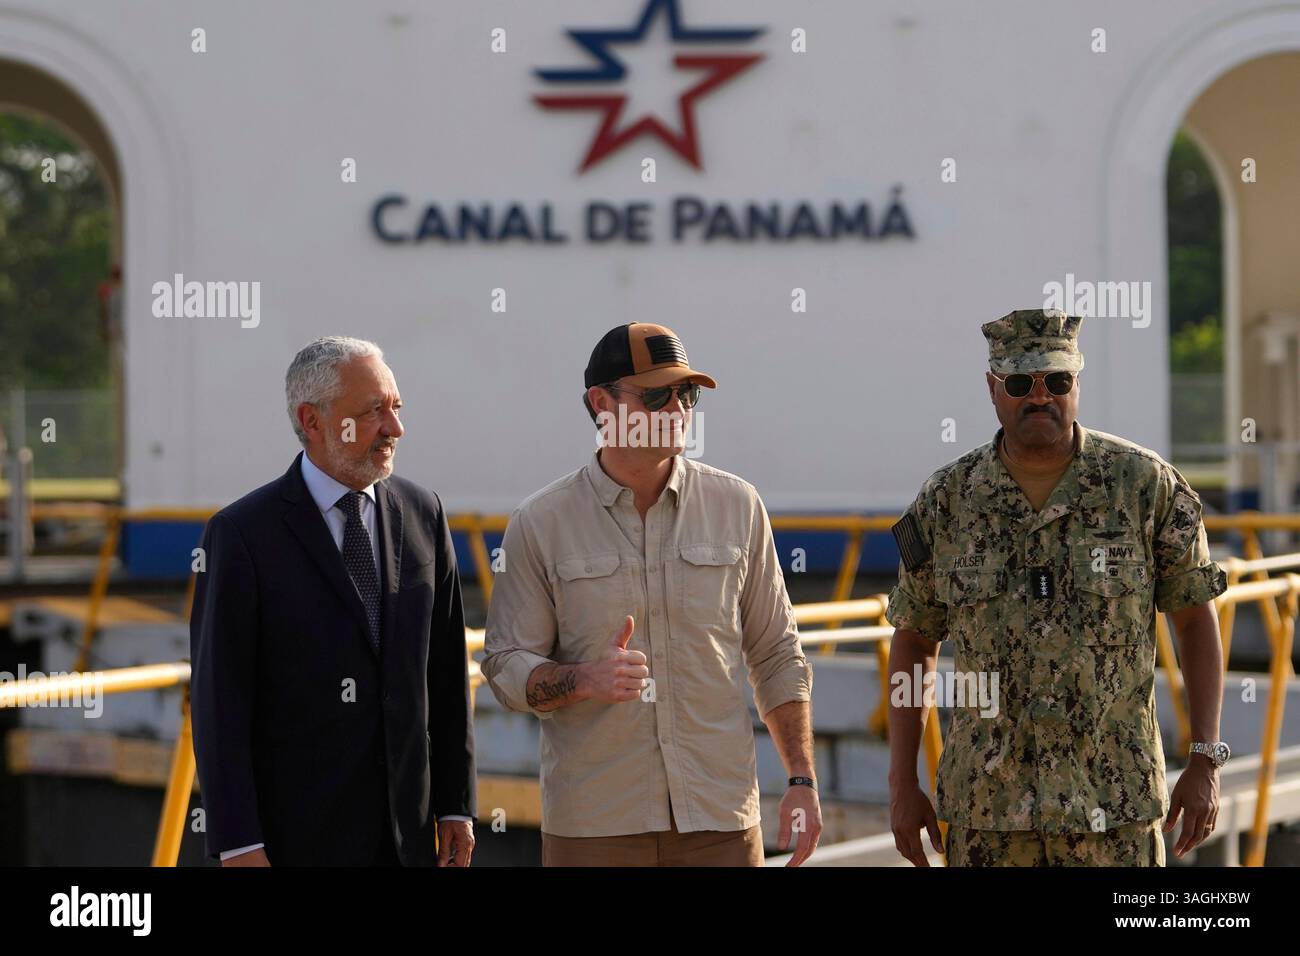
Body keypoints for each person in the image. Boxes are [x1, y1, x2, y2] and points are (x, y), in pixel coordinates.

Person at [887, 309, 1229, 867]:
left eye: (1057, 381)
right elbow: (913, 640)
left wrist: (1205, 760)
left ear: (1077, 384)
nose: (1039, 397)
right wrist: (903, 783)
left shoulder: (1143, 486)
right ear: (993, 390)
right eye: (1020, 383)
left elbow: (1194, 619)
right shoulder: (947, 501)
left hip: (1114, 810)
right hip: (989, 815)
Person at [482, 322, 820, 866]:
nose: (677, 410)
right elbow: (503, 666)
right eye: (657, 395)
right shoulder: (541, 523)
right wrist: (584, 679)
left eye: (686, 394)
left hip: (721, 820)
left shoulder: (738, 507)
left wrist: (801, 778)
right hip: (594, 827)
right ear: (600, 403)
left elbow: (777, 652)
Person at [190, 336, 476, 866]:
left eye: (396, 407)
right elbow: (219, 704)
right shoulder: (241, 536)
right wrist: (238, 844)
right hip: (294, 844)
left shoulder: (423, 513)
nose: (395, 428)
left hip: (409, 843)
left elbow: (445, 674)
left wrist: (456, 805)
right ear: (313, 421)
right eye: (373, 411)